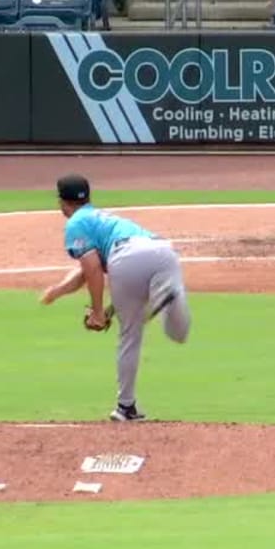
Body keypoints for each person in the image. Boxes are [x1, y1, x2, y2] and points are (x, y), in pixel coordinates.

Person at [39, 175, 190, 422]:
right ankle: (166, 297)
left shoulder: (76, 222)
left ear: (61, 202)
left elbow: (92, 270)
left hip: (126, 257)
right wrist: (58, 292)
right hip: (162, 252)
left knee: (130, 335)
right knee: (178, 334)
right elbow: (87, 273)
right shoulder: (102, 217)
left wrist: (97, 312)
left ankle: (125, 407)